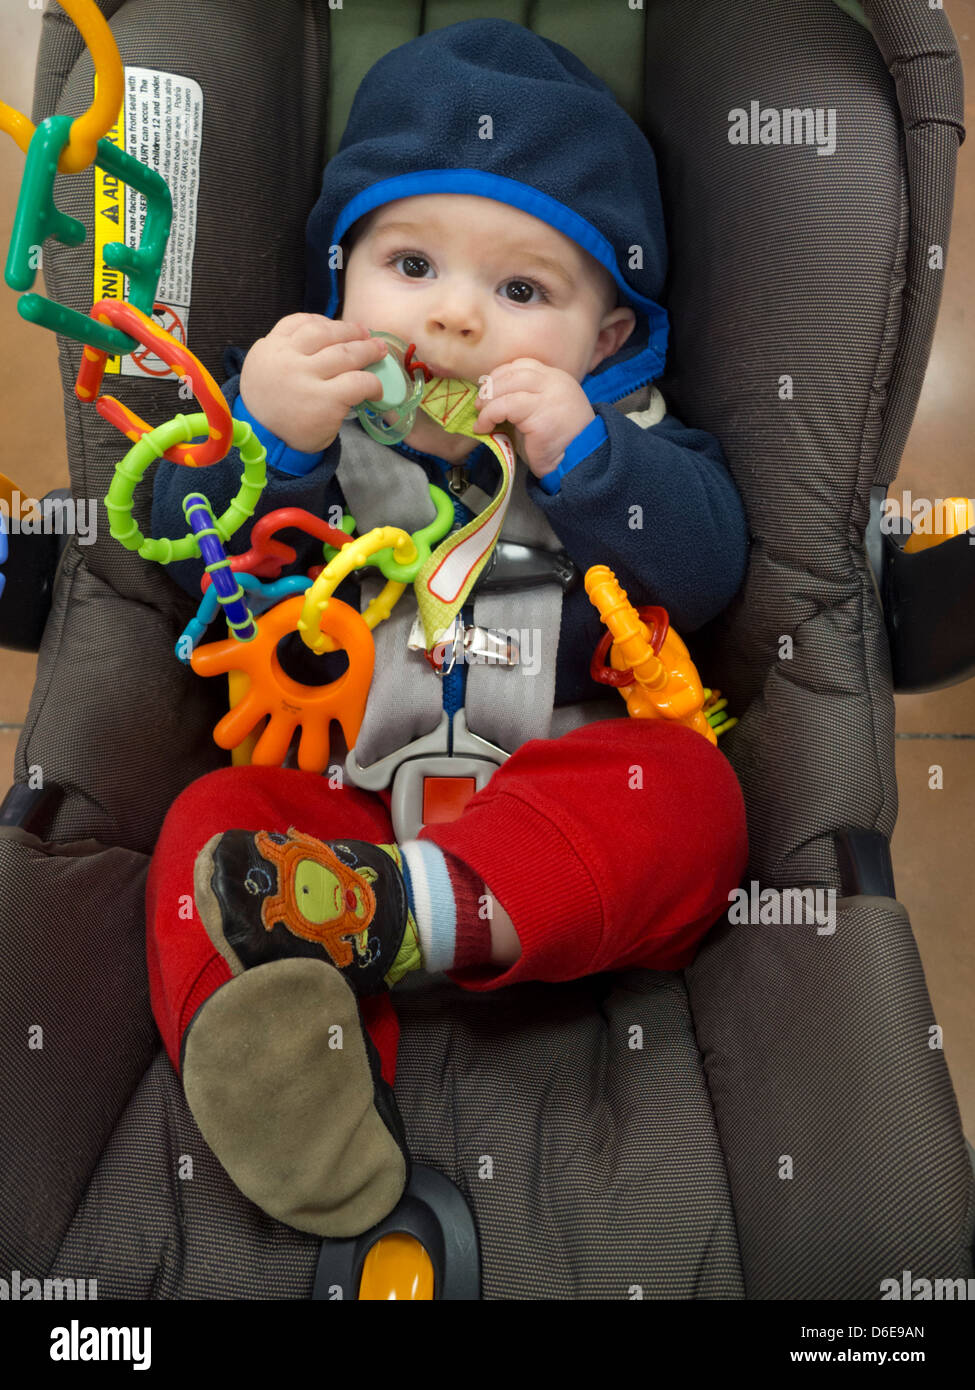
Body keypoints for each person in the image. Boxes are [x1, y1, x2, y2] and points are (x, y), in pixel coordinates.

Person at [146, 19, 750, 1239]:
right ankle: (287, 1074)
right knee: (206, 829)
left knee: (696, 799)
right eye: (410, 266)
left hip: (552, 801)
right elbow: (182, 553)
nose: (456, 321)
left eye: (523, 290)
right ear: (342, 275)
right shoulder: (296, 413)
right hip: (343, 793)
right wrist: (264, 440)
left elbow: (709, 569)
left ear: (610, 338)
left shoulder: (629, 444)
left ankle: (406, 913)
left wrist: (590, 456)